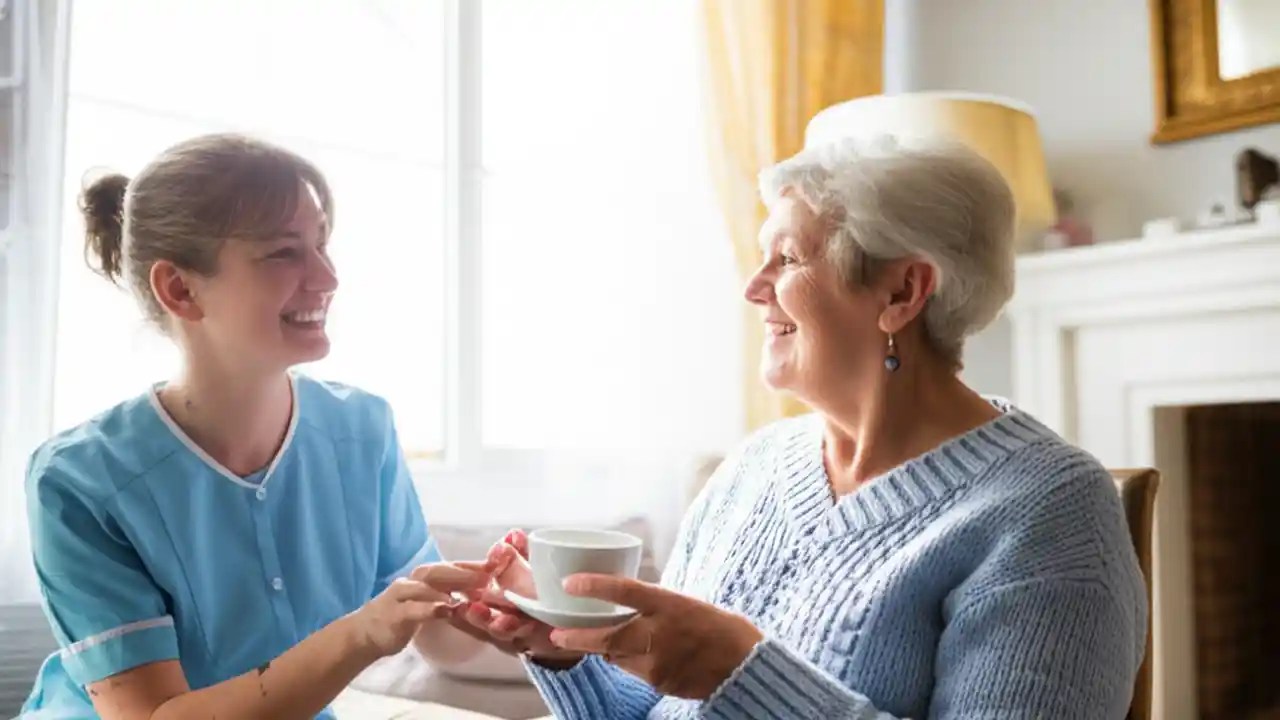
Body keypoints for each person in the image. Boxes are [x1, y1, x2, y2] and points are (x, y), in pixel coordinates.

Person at [449, 136, 1148, 719]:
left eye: (786, 258)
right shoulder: (753, 469)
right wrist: (564, 652)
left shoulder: (1049, 511)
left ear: (902, 291)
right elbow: (652, 709)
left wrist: (743, 678)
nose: (753, 287)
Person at [20, 134, 492, 720]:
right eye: (283, 253)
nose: (327, 277)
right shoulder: (78, 482)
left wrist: (513, 608)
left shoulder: (362, 432)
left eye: (321, 244)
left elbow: (438, 633)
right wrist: (360, 634)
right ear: (180, 289)